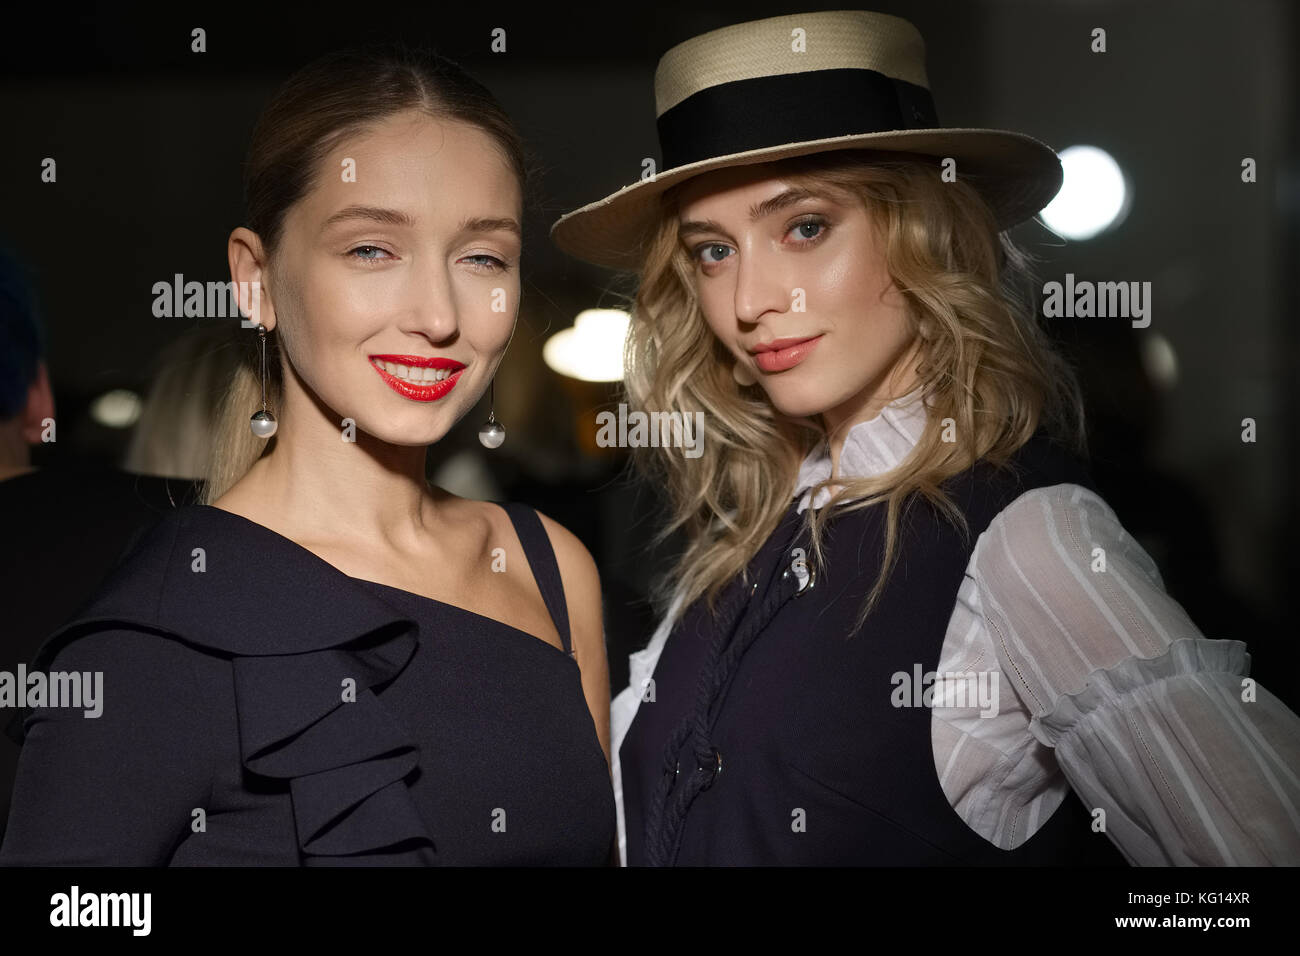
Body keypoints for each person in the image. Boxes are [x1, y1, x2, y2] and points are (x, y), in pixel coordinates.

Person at [550, 10, 1300, 866]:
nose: (750, 299)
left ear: (922, 231)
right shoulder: (739, 546)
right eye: (713, 250)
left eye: (804, 227)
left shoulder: (1028, 538)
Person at [1, 43, 616, 866]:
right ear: (254, 278)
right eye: (372, 249)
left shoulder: (547, 566)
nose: (437, 313)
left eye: (481, 258)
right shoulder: (157, 639)